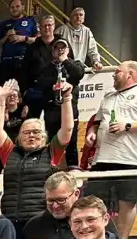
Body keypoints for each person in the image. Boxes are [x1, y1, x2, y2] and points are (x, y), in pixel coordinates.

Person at [0, 80, 73, 238]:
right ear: (19, 137)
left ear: (44, 136)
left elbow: (68, 128)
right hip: (11, 220)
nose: (31, 135)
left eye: (36, 132)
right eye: (26, 132)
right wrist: (0, 100)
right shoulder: (9, 152)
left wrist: (67, 98)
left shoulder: (51, 151)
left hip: (41, 221)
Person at [82, 60, 137, 239]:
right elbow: (96, 122)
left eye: (118, 71)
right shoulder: (108, 94)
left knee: (126, 203)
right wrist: (91, 133)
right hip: (101, 159)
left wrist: (127, 125)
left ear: (130, 74)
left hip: (129, 159)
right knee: (94, 203)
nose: (113, 74)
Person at [36, 38, 85, 168]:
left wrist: (65, 61)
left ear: (68, 50)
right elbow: (41, 82)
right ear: (52, 51)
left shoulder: (75, 64)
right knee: (53, 141)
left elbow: (79, 74)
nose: (60, 50)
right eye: (57, 48)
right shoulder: (45, 68)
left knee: (72, 142)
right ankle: (53, 169)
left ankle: (73, 170)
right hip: (52, 109)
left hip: (70, 109)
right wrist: (56, 82)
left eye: (63, 48)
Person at [20, 15, 59, 120]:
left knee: (53, 125)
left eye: (49, 25)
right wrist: (24, 91)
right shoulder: (32, 48)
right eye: (44, 26)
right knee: (33, 123)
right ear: (40, 28)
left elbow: (69, 66)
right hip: (36, 92)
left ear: (54, 26)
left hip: (56, 91)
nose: (47, 28)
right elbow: (24, 71)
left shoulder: (62, 45)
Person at [0, 0, 38, 87]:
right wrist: (6, 36)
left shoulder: (30, 21)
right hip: (6, 64)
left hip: (25, 63)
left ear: (23, 7)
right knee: (3, 93)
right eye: (12, 7)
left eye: (17, 6)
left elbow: (38, 40)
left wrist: (24, 38)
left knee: (25, 93)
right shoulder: (3, 24)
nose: (14, 9)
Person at [55, 6, 103, 72]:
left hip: (78, 68)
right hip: (64, 67)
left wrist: (96, 61)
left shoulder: (87, 31)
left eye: (81, 15)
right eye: (76, 15)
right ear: (71, 17)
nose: (78, 17)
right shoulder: (61, 30)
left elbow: (92, 49)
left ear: (83, 18)